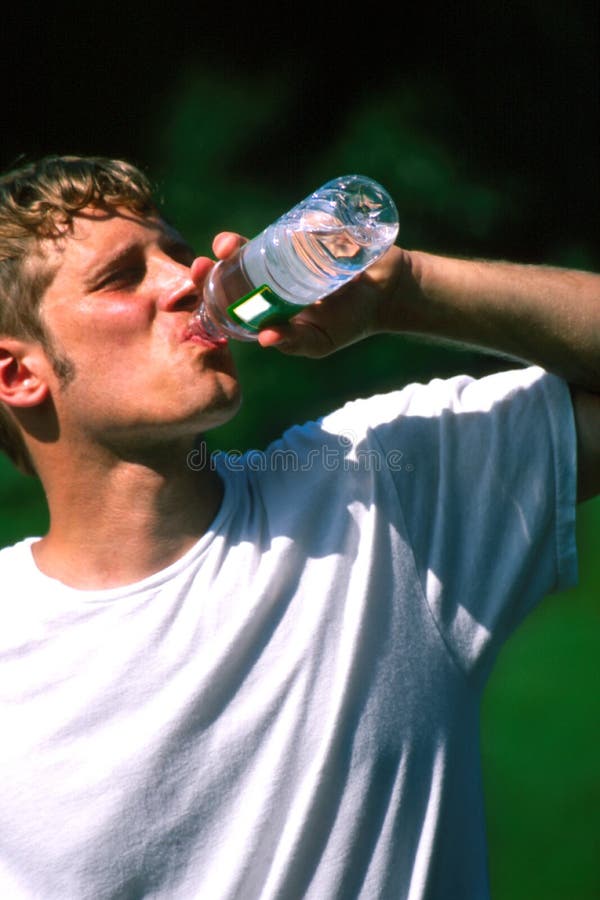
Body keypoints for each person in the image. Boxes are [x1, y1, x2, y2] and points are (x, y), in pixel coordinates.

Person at [0, 154, 597, 900]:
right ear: (18, 376)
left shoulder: (373, 489)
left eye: (176, 253)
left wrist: (405, 292)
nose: (184, 278)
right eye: (122, 276)